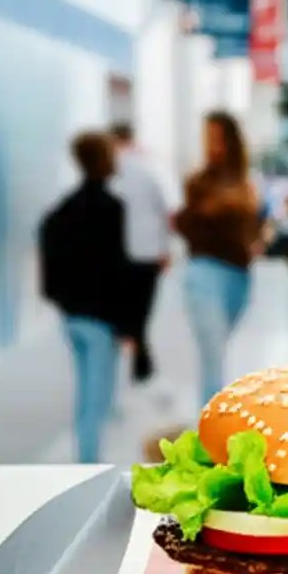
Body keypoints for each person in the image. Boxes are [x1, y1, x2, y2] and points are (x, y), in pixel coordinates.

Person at [39, 132, 138, 462]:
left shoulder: (62, 211)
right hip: (100, 318)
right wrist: (127, 324)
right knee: (96, 401)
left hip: (73, 316)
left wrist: (61, 298)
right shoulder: (111, 209)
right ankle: (87, 468)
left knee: (86, 395)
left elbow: (50, 266)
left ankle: (87, 462)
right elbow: (117, 269)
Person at [173, 112, 262, 407]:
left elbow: (252, 230)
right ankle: (209, 432)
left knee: (221, 349)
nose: (214, 147)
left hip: (238, 274)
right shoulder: (198, 184)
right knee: (213, 359)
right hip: (204, 272)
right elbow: (185, 224)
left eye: (219, 140)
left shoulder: (245, 184)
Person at [106, 123, 170, 383]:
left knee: (126, 309)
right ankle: (141, 362)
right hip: (149, 252)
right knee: (142, 309)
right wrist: (166, 248)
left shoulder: (109, 171)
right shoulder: (150, 168)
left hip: (119, 253)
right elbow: (166, 209)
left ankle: (138, 359)